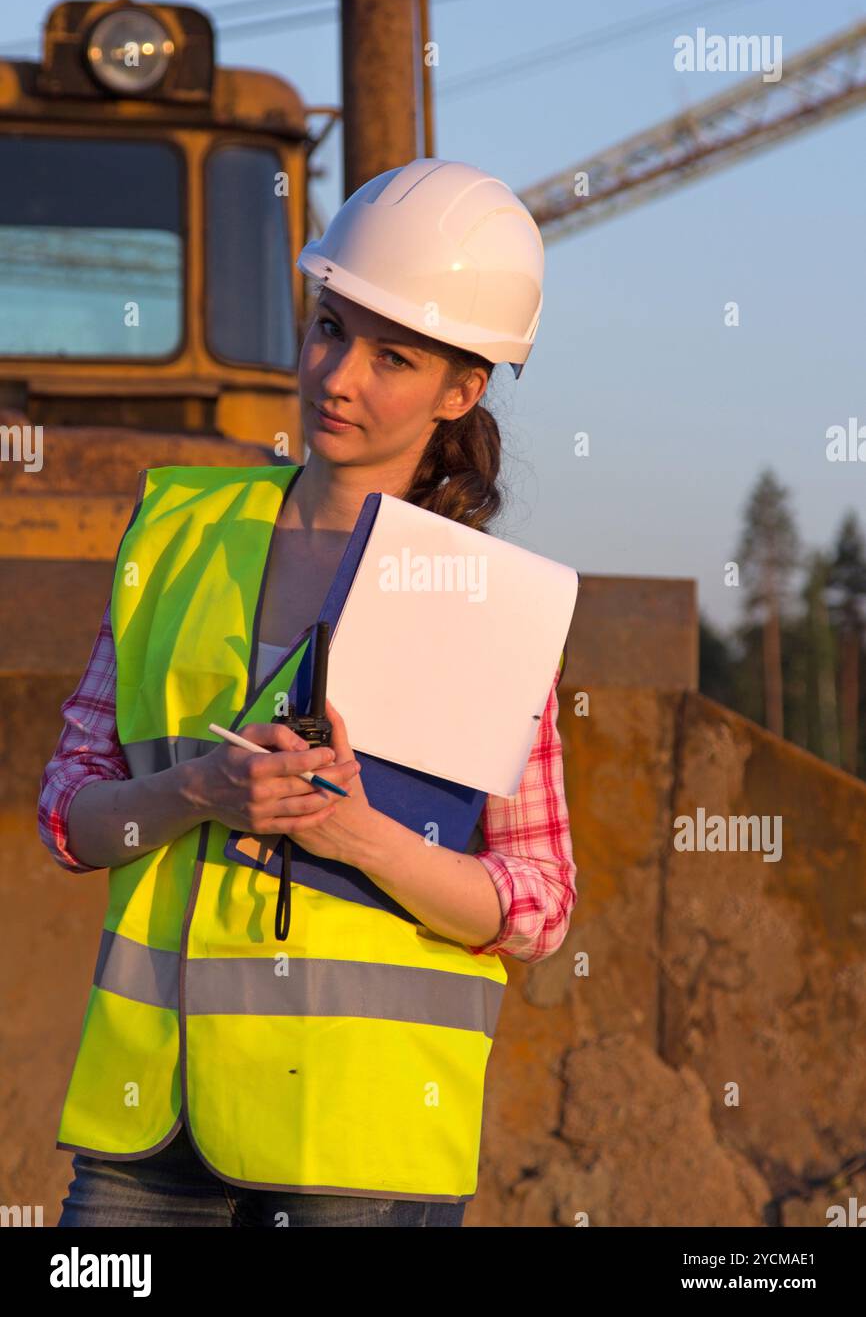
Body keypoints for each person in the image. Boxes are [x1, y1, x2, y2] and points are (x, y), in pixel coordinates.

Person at [38, 157, 577, 1228]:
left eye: (393, 356)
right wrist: (198, 791)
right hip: (150, 1124)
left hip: (354, 1146)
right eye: (330, 328)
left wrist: (362, 838)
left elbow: (537, 902)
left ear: (458, 390)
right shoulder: (176, 536)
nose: (336, 376)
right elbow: (70, 816)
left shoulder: (483, 604)